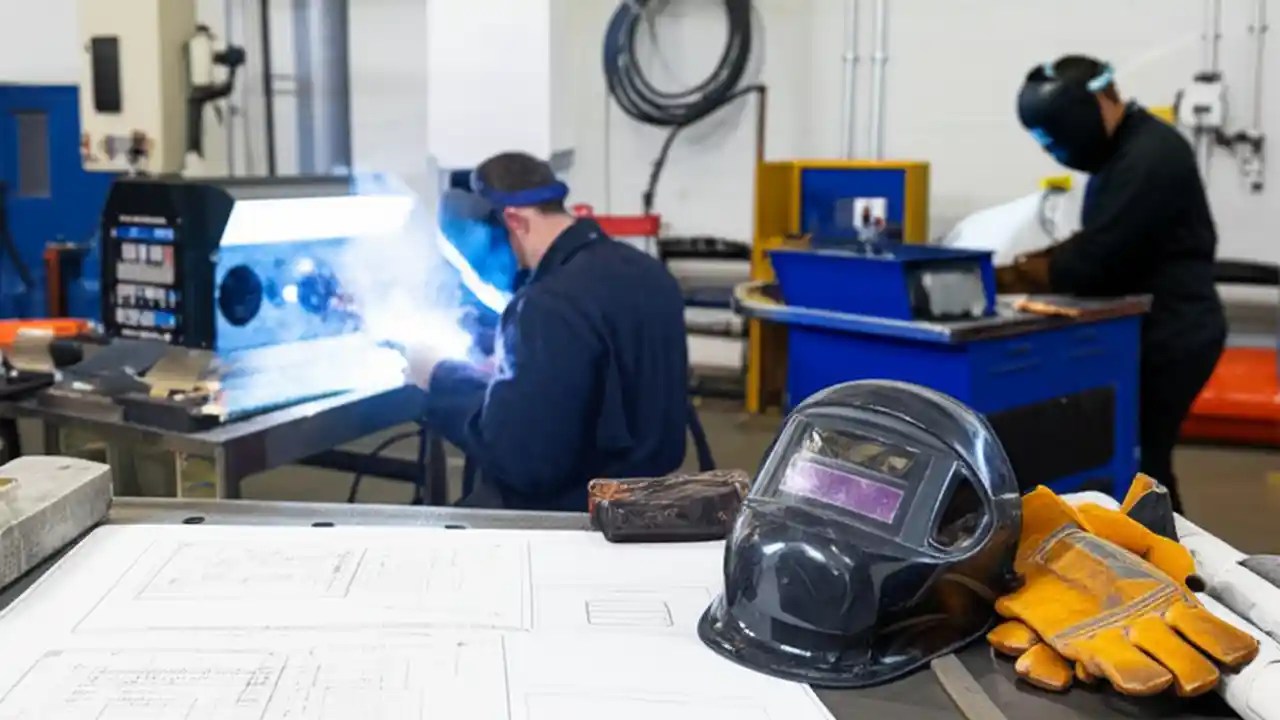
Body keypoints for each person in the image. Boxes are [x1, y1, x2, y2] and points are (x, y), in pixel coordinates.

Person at [404, 152, 695, 512]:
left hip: (570, 518)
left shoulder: (547, 304)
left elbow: (522, 460)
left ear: (515, 221)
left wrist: (439, 377)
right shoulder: (648, 274)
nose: (478, 278)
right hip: (647, 506)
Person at [1004, 55, 1225, 512]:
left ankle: (1171, 562)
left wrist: (1005, 275)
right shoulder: (1127, 152)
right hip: (1156, 326)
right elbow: (1099, 245)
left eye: (1062, 136)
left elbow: (1094, 261)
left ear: (1102, 103)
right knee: (1140, 457)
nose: (1060, 151)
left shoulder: (1149, 157)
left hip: (1173, 333)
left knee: (1144, 460)